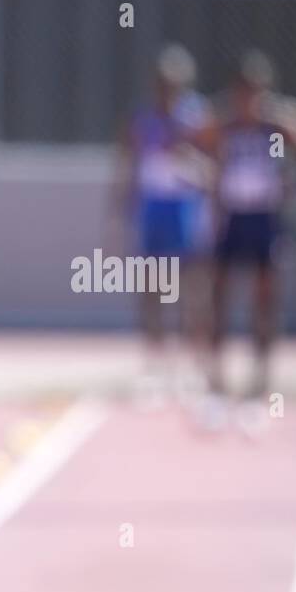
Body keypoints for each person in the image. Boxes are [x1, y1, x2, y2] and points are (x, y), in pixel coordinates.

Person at [203, 50, 296, 421]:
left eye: (257, 91)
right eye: (244, 90)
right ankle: (217, 381)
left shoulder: (278, 124)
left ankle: (260, 382)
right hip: (233, 218)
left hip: (265, 219)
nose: (249, 98)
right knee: (218, 297)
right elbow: (196, 143)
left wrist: (291, 182)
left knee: (264, 301)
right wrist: (212, 181)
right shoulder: (225, 122)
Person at [114, 45, 213, 401]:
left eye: (174, 84)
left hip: (185, 208)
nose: (167, 90)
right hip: (153, 209)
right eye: (161, 83)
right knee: (152, 290)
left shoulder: (199, 117)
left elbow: (213, 166)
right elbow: (127, 165)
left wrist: (193, 163)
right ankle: (155, 368)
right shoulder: (142, 119)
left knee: (192, 291)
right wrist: (121, 207)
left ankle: (192, 369)